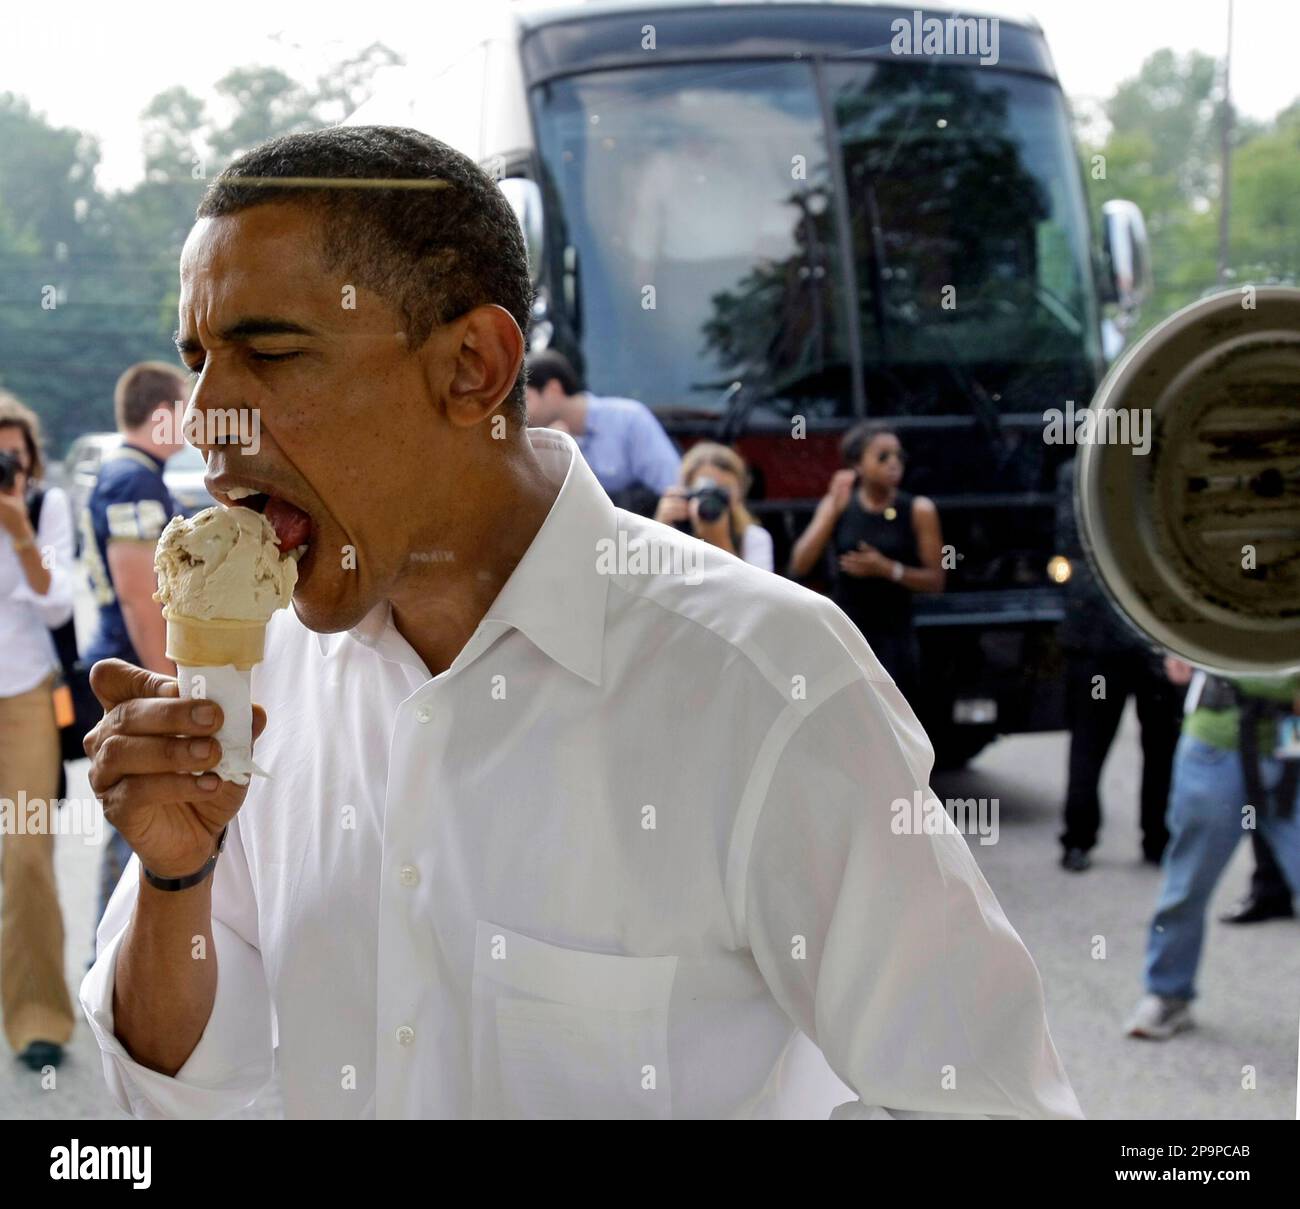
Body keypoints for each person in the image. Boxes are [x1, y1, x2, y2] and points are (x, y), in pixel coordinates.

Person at [79, 126, 1080, 1120]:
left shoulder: (764, 682)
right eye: (198, 359)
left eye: (269, 351)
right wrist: (178, 879)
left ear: (472, 365)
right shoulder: (263, 683)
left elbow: (989, 1101)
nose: (206, 417)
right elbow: (178, 1090)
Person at [1126, 661, 1300, 1040]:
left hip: (1293, 742)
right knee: (1188, 882)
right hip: (1217, 742)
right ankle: (1168, 994)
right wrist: (1172, 646)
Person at [82, 362, 188, 932]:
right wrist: (166, 686)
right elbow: (140, 596)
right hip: (131, 666)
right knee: (139, 815)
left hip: (124, 660)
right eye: (186, 406)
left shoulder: (132, 472)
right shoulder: (132, 478)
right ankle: (113, 956)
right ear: (162, 414)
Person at [1054, 459, 1183, 873]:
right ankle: (1153, 838)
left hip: (1109, 635)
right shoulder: (1157, 464)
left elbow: (1068, 549)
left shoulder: (1077, 471)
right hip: (1140, 633)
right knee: (1146, 745)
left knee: (1095, 743)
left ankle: (1084, 840)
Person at [0, 391, 76, 1071]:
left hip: (23, 698)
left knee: (26, 856)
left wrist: (17, 527)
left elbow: (57, 601)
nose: (6, 470)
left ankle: (38, 1018)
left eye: (13, 459)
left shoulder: (47, 508)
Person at [789, 422, 944, 706]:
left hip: (895, 634)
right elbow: (800, 564)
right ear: (857, 465)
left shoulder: (918, 510)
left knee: (894, 716)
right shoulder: (841, 503)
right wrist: (831, 511)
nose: (894, 463)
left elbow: (935, 581)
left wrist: (887, 569)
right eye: (883, 457)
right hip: (849, 630)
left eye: (899, 456)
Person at [524, 349, 681, 516]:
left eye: (526, 400)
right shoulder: (539, 442)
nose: (521, 411)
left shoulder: (629, 420)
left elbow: (673, 489)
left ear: (553, 390)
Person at [653, 441, 774, 571]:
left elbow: (755, 589)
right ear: (686, 491)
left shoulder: (753, 537)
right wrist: (659, 529)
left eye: (722, 491)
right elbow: (646, 581)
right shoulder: (672, 528)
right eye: (705, 489)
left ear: (739, 495)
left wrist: (721, 542)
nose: (712, 500)